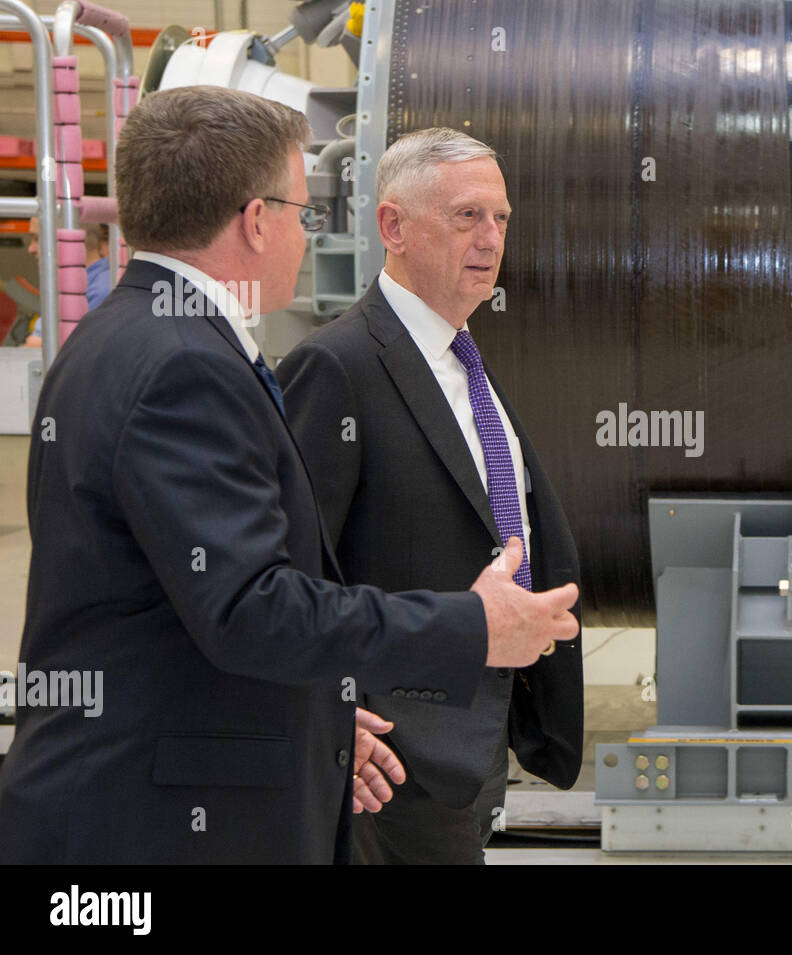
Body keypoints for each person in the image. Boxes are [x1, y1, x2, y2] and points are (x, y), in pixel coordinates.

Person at [0, 86, 579, 864]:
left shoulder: (129, 337)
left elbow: (206, 602)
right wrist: (469, 626)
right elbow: (250, 606)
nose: (308, 237)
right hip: (156, 818)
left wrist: (322, 717)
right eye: (303, 214)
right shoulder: (183, 367)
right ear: (254, 219)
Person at [277, 128, 583, 864]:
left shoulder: (462, 360)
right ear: (393, 227)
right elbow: (288, 569)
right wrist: (328, 716)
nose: (491, 237)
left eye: (501, 218)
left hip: (467, 746)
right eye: (467, 216)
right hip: (383, 763)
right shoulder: (337, 367)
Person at [21, 221, 111, 346]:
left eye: (38, 239)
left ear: (70, 240)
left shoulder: (102, 290)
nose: (31, 249)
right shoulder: (76, 286)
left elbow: (39, 345)